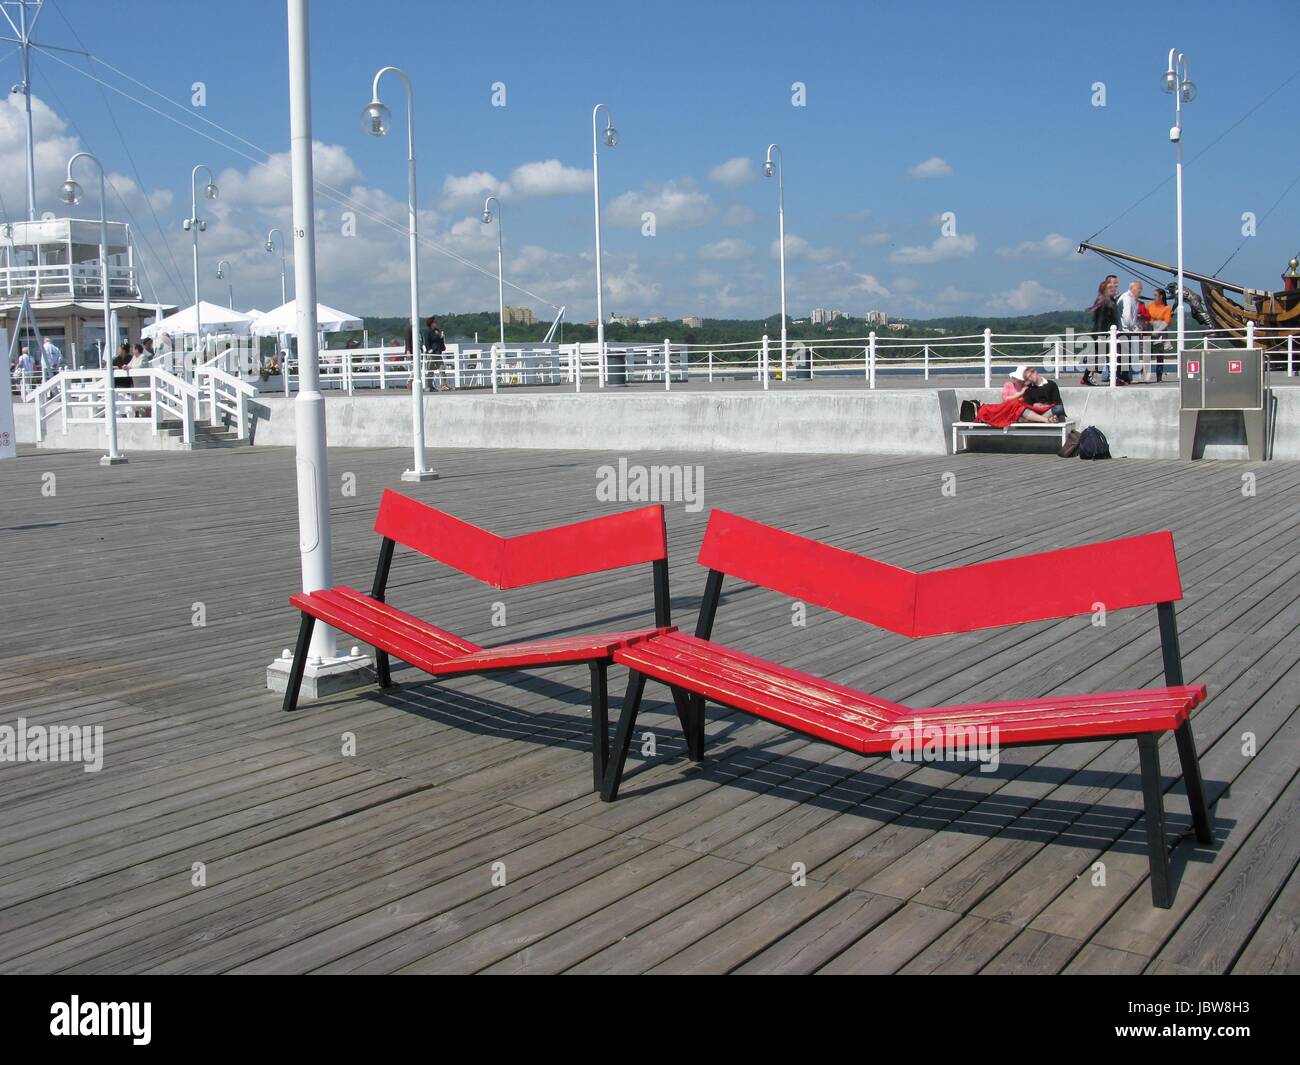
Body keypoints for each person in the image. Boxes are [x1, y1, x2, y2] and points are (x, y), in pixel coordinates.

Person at [977, 366, 1060, 427]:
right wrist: (1021, 393)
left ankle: (1036, 419)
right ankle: (1046, 419)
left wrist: (1042, 405)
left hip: (1031, 410)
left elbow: (1056, 401)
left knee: (1058, 408)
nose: (1019, 380)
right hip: (1013, 409)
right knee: (1020, 409)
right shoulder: (1010, 385)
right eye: (1018, 378)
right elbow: (1005, 400)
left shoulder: (1048, 384)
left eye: (1022, 379)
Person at [1084, 275, 1118, 385]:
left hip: (1107, 333)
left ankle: (1089, 376)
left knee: (1102, 356)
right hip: (1102, 332)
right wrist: (1099, 335)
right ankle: (1088, 376)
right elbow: (1100, 319)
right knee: (1098, 356)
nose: (1114, 289)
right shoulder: (1103, 301)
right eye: (1111, 288)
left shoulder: (1110, 300)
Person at [1115, 280, 1143, 385]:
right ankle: (1122, 377)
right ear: (1133, 288)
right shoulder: (1127, 298)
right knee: (1124, 355)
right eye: (1139, 289)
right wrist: (1135, 328)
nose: (1140, 291)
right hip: (1124, 331)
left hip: (1126, 331)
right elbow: (1127, 317)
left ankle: (1124, 376)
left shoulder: (1131, 298)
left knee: (1125, 355)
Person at [1147, 287, 1173, 382]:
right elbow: (1145, 316)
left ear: (1161, 296)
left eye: (1155, 295)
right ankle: (1143, 376)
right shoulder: (1150, 305)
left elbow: (1166, 322)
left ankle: (1159, 377)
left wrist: (1156, 331)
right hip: (1149, 334)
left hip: (1160, 336)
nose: (1154, 297)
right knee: (1147, 356)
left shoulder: (1167, 308)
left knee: (1159, 357)